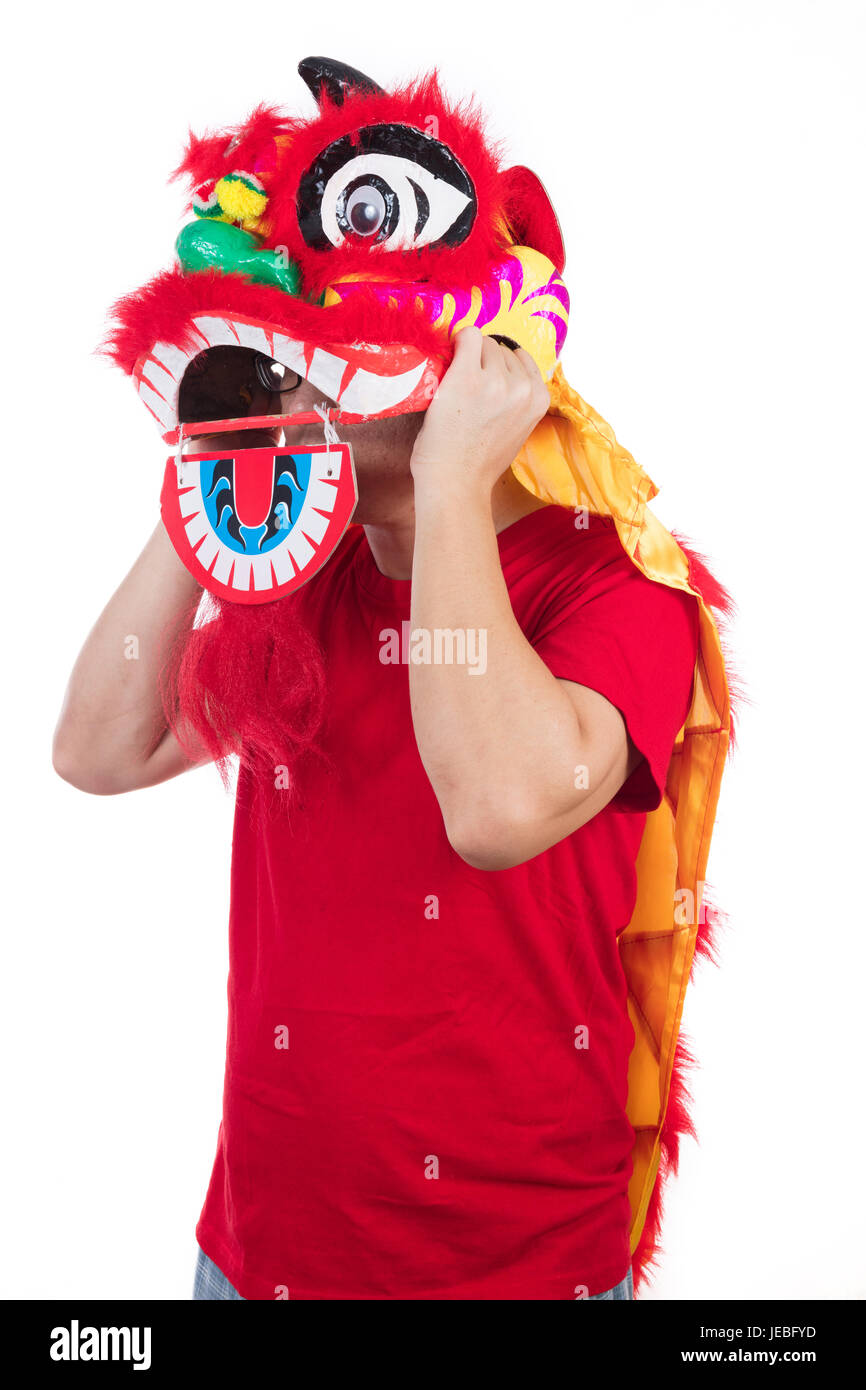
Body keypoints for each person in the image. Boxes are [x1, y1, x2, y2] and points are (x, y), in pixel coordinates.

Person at [53, 56, 733, 1299]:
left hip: (511, 1274)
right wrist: (218, 450)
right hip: (258, 1255)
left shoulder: (622, 590)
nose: (292, 383)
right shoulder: (297, 576)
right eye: (273, 362)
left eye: (314, 354)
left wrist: (461, 479)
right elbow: (95, 748)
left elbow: (492, 809)